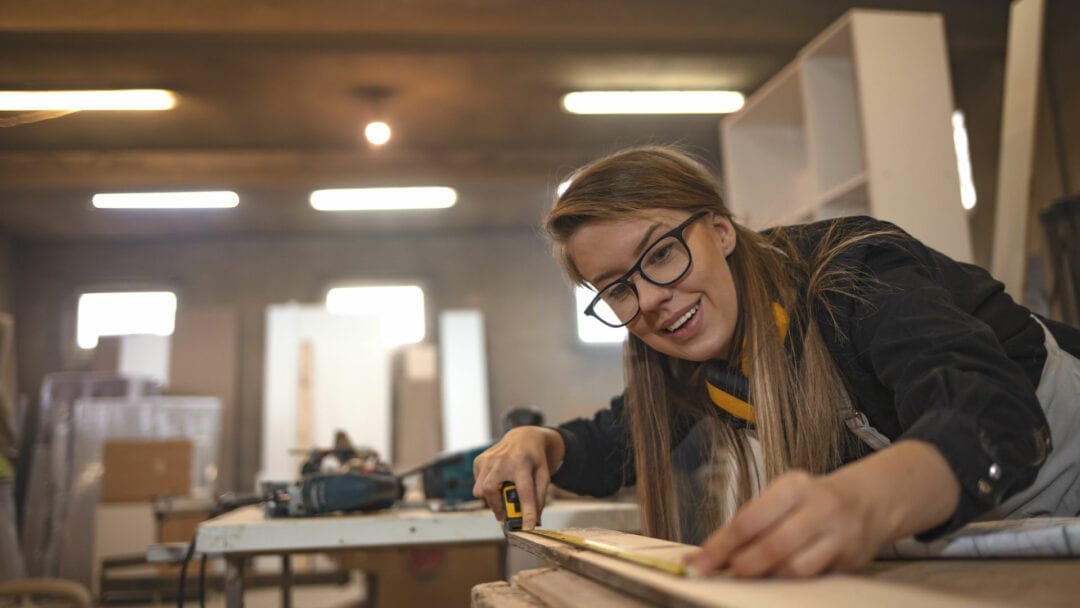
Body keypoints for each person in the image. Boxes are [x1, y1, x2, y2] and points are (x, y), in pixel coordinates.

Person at [472, 145, 1080, 578]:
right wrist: (537, 442)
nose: (651, 299)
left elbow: (986, 412)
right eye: (617, 289)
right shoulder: (690, 359)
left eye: (660, 254)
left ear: (720, 230)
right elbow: (611, 445)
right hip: (994, 537)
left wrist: (858, 501)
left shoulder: (852, 272)